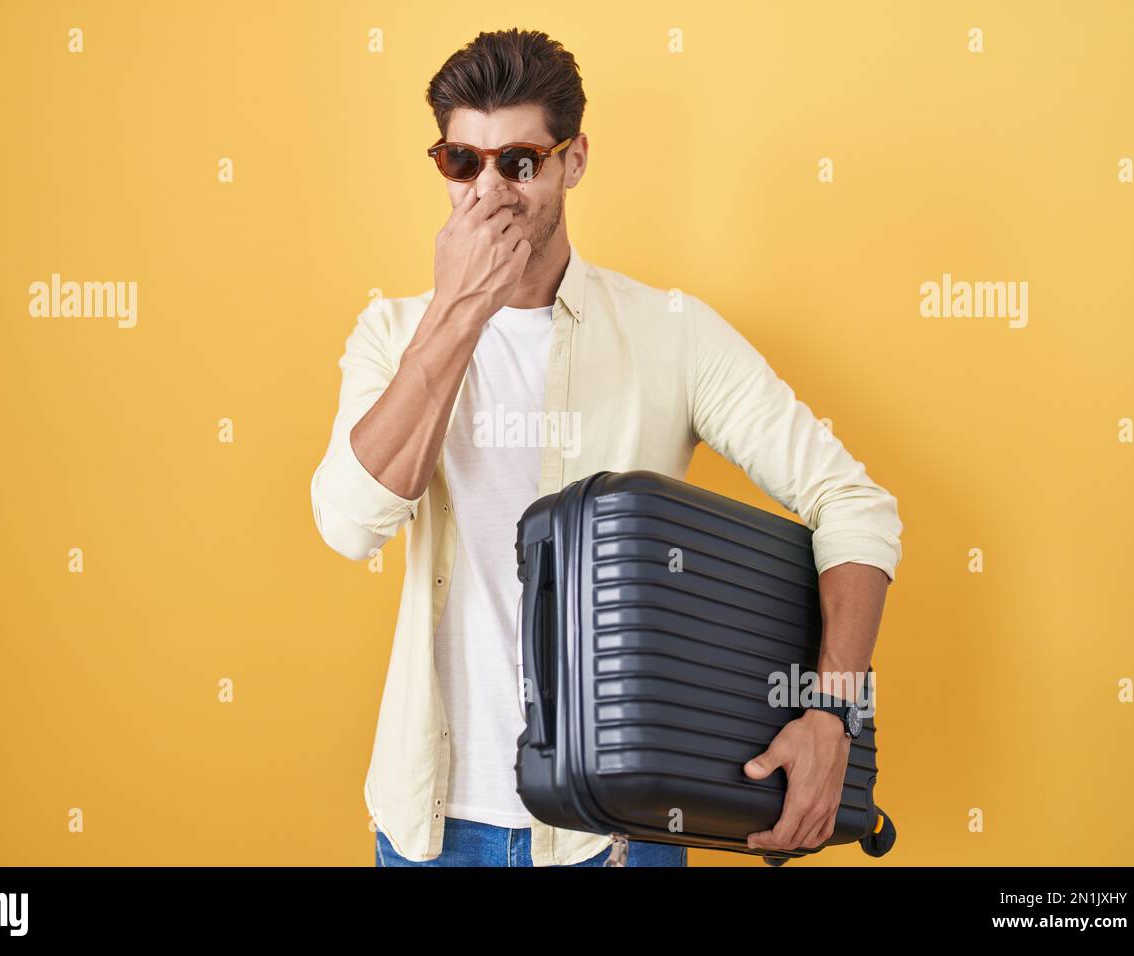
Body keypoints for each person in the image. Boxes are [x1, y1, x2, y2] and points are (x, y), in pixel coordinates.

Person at [311, 28, 901, 867]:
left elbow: (855, 507)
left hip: (614, 829)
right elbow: (349, 524)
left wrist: (831, 711)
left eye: (518, 161)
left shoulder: (672, 334)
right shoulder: (395, 332)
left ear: (572, 161)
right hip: (430, 824)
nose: (488, 192)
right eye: (461, 163)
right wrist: (458, 316)